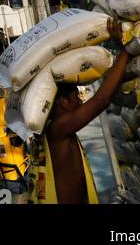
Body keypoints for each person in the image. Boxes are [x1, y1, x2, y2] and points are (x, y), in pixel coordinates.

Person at [29, 18, 129, 205]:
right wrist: (125, 49)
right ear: (62, 102)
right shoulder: (58, 129)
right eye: (76, 95)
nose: (80, 99)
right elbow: (101, 100)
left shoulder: (57, 130)